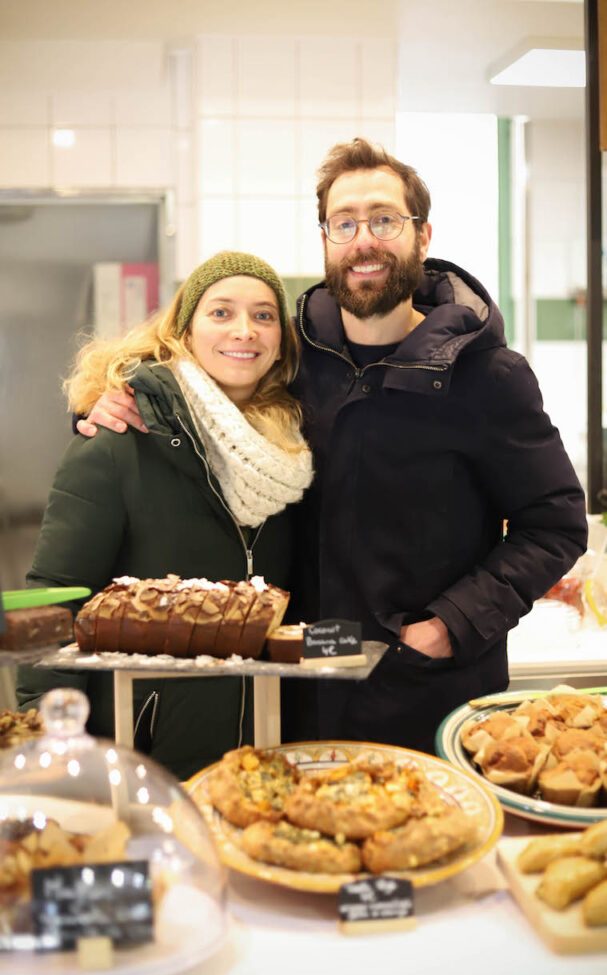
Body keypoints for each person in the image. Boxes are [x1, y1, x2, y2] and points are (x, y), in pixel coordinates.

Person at [75, 138, 588, 755]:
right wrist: (99, 405)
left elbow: (555, 525)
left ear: (423, 238)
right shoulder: (289, 360)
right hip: (294, 696)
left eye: (384, 219)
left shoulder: (486, 376)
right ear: (325, 240)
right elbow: (184, 396)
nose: (363, 238)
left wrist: (449, 626)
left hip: (425, 698)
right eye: (343, 223)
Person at [17, 251, 313, 779]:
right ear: (185, 330)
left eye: (264, 315)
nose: (244, 330)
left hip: (264, 752)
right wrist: (50, 751)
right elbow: (58, 596)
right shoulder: (118, 439)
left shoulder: (295, 452)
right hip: (142, 758)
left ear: (281, 341)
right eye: (221, 312)